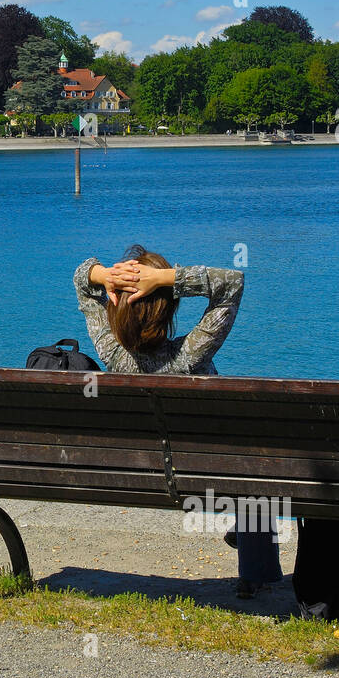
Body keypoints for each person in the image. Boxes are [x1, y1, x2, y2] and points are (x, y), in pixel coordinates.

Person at [74, 247, 279, 598]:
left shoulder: (110, 352)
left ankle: (246, 531)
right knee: (256, 461)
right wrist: (168, 279)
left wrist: (104, 275)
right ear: (169, 308)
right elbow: (232, 284)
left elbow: (81, 281)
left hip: (145, 473)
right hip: (213, 471)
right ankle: (254, 571)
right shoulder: (191, 354)